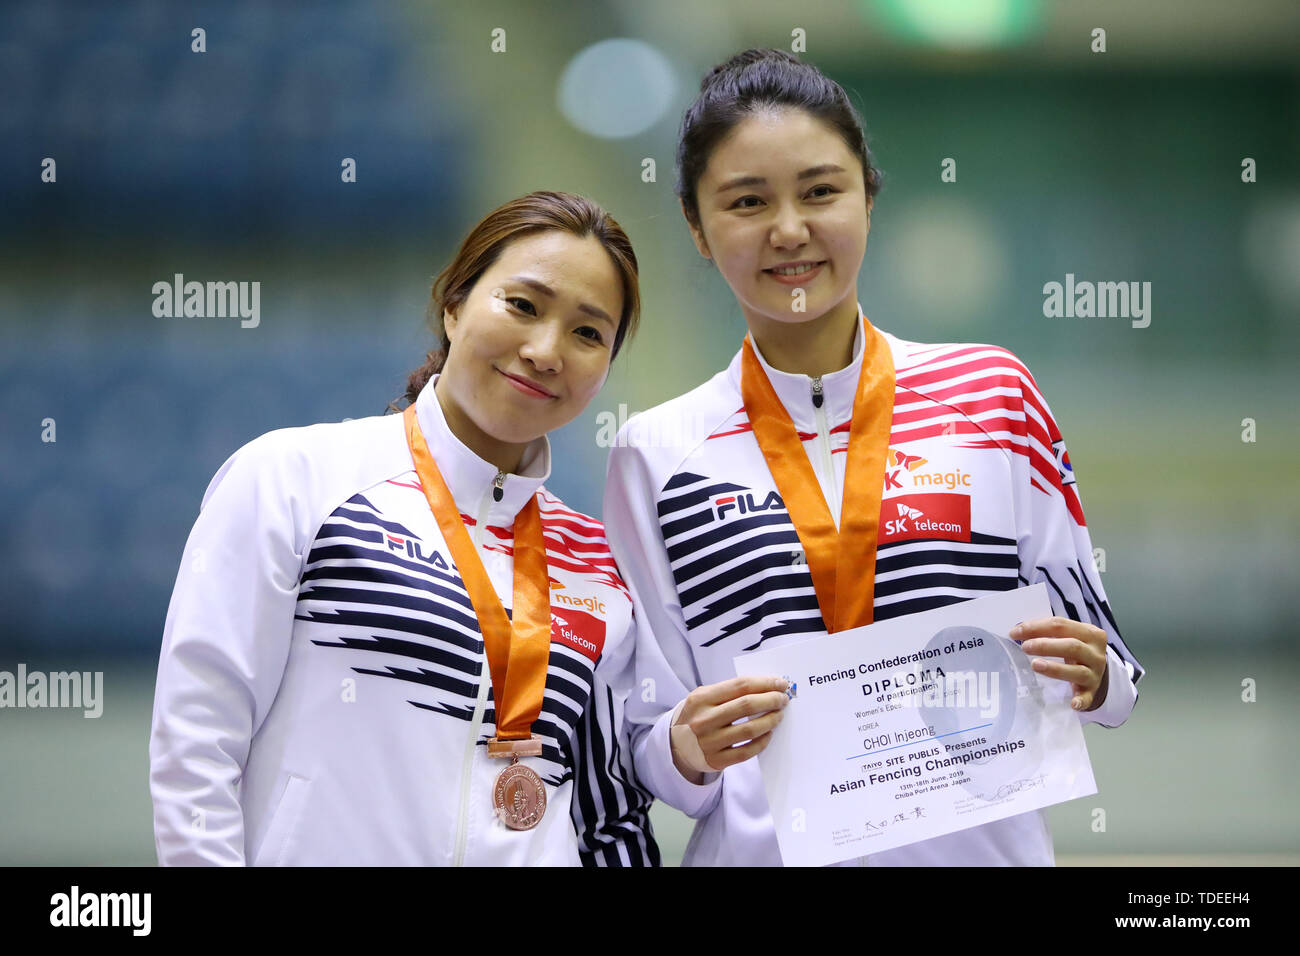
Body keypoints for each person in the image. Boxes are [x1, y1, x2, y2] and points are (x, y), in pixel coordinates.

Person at [603, 49, 1144, 866]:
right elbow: (648, 746)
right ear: (697, 229)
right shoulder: (657, 451)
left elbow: (1110, 669)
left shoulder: (993, 396)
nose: (790, 230)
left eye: (821, 191)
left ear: (868, 197)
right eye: (747, 202)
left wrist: (1098, 677)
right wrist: (685, 745)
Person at [150, 190, 659, 866]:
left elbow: (609, 818)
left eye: (588, 333)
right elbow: (197, 744)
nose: (545, 350)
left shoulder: (599, 562)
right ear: (453, 305)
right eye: (524, 306)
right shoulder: (293, 478)